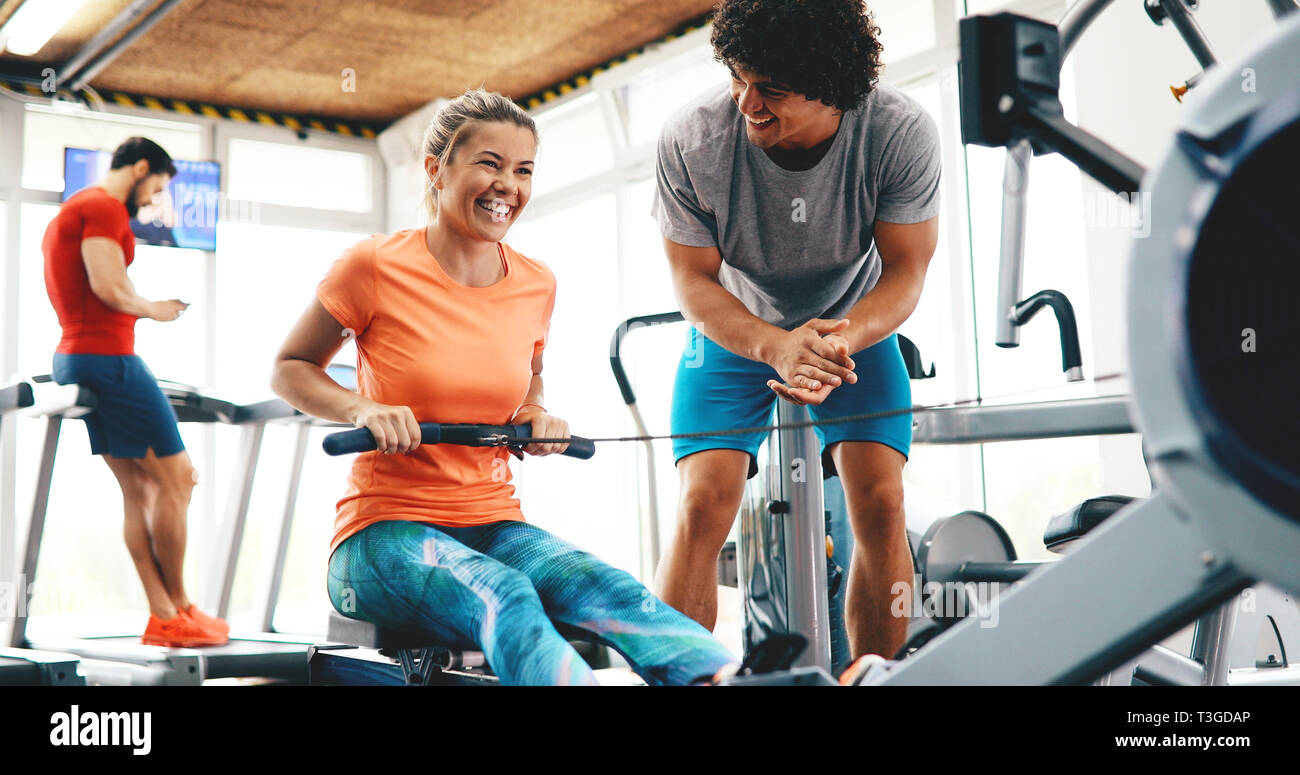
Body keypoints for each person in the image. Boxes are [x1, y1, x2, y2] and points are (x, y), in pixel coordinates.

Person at [271, 89, 739, 686]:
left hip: (493, 523)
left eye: (523, 171)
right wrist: (364, 408)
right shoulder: (372, 267)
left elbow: (531, 374)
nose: (507, 186)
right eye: (488, 163)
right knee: (504, 593)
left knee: (604, 586)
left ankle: (729, 680)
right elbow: (290, 366)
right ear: (436, 169)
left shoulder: (536, 284)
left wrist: (535, 413)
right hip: (379, 535)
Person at [652, 0, 942, 662]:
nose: (747, 101)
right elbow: (692, 283)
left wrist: (837, 338)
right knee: (702, 505)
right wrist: (773, 342)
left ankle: (873, 679)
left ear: (832, 88)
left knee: (881, 501)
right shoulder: (692, 140)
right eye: (737, 76)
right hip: (732, 329)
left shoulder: (898, 131)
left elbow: (906, 272)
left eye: (772, 90)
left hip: (853, 328)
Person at [43, 136, 229, 647]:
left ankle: (165, 613)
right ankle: (181, 604)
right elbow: (107, 287)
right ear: (141, 167)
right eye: (156, 187)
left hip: (78, 357)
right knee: (181, 478)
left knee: (141, 489)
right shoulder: (102, 207)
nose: (152, 200)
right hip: (110, 360)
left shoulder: (78, 208)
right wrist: (157, 309)